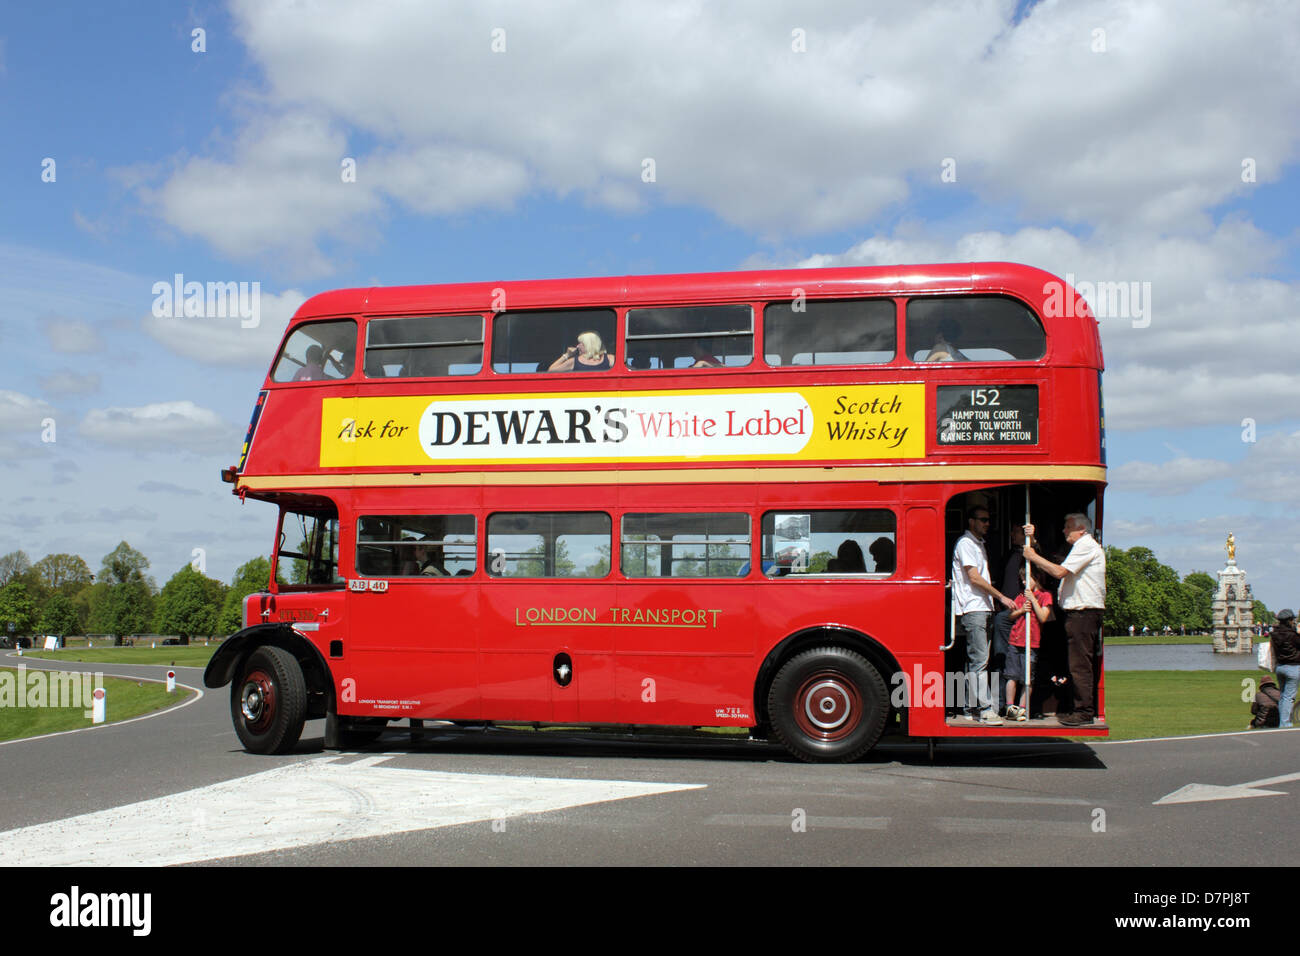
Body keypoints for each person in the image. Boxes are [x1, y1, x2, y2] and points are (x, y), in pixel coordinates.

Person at [1023, 513, 1106, 727]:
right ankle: (1080, 708)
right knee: (1076, 662)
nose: (1064, 531)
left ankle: (1084, 711)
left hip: (1083, 613)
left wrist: (1032, 556)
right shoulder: (1082, 548)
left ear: (1082, 530)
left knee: (1079, 664)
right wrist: (1034, 544)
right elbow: (1057, 563)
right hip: (1079, 613)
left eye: (1068, 527)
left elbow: (1059, 571)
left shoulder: (1086, 546)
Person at [952, 506, 1016, 724]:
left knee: (975, 661)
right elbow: (975, 578)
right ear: (971, 521)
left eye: (988, 520)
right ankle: (985, 709)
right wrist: (1001, 597)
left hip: (981, 607)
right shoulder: (966, 544)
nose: (987, 524)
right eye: (983, 520)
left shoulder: (978, 545)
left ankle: (970, 708)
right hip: (974, 607)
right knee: (979, 660)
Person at [1004, 566, 1054, 721]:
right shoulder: (1020, 597)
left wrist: (1033, 599)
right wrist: (1020, 610)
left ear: (1036, 578)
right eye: (1022, 580)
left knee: (1027, 678)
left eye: (1027, 579)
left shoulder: (1045, 596)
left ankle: (1023, 708)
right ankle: (1010, 707)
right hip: (1015, 641)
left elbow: (1043, 617)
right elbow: (1011, 616)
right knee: (1011, 675)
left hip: (1031, 644)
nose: (1024, 582)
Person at [1270, 608, 1299, 729]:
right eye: (1292, 620)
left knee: (1283, 696)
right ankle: (1285, 723)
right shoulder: (1292, 635)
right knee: (1289, 697)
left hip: (1280, 667)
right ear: (1289, 621)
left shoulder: (1274, 634)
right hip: (1293, 667)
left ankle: (1283, 721)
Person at [549, 331, 613, 371]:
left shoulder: (610, 358)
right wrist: (567, 355)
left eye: (580, 343)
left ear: (589, 344)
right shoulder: (574, 361)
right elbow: (551, 370)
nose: (577, 346)